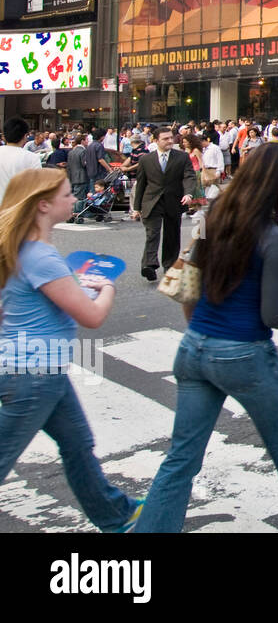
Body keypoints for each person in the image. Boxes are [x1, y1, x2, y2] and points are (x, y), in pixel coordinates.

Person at [133, 145, 278, 532]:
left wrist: (200, 330)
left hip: (195, 348)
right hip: (245, 354)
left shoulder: (211, 217)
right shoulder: (276, 237)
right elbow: (273, 315)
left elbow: (186, 290)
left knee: (181, 458)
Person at [0, 168, 143, 532]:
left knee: (78, 445)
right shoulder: (41, 258)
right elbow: (92, 316)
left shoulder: (19, 250)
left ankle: (117, 515)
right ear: (44, 205)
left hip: (35, 370)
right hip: (34, 376)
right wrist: (106, 287)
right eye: (66, 195)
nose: (73, 198)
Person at [130, 128, 197, 281]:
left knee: (172, 235)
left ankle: (170, 265)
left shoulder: (182, 157)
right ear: (156, 141)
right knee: (152, 234)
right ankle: (149, 265)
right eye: (165, 139)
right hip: (151, 201)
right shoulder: (146, 159)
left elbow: (189, 177)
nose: (170, 141)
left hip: (174, 200)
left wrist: (188, 193)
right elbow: (141, 184)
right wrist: (137, 208)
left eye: (171, 138)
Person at [0, 117, 43, 205]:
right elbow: (37, 187)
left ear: (4, 136)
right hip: (19, 209)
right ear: (25, 136)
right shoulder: (32, 158)